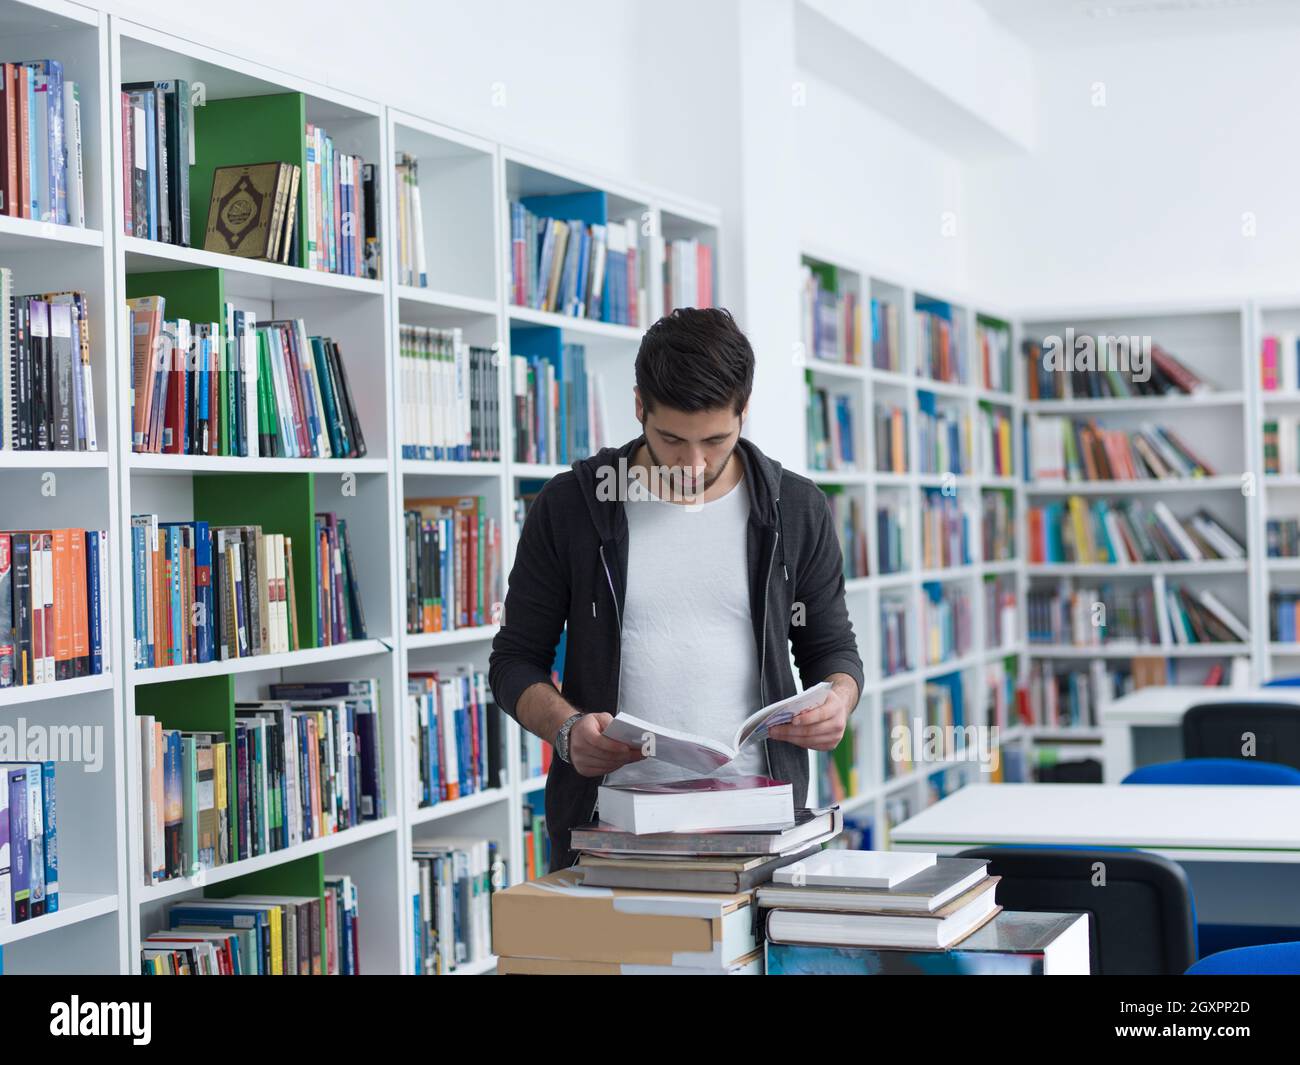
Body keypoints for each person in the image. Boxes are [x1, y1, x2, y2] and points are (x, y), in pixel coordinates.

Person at [488, 306, 864, 872]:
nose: (693, 463)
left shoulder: (796, 509)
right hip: (607, 825)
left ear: (744, 411)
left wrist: (838, 701)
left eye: (716, 439)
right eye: (671, 439)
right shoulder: (570, 506)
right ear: (639, 406)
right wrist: (566, 731)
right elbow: (514, 661)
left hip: (760, 822)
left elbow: (833, 651)